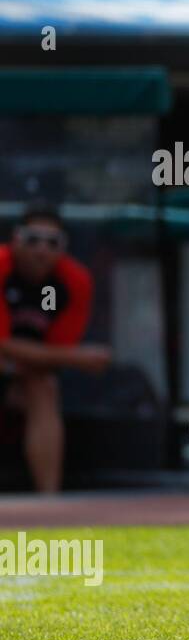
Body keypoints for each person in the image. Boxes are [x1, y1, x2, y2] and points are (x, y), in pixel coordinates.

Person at [0, 203, 111, 494]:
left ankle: (49, 502)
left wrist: (26, 361)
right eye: (32, 239)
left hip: (24, 373)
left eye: (52, 243)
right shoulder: (1, 267)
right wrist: (77, 358)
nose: (41, 250)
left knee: (45, 386)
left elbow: (55, 352)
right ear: (16, 239)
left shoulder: (73, 281)